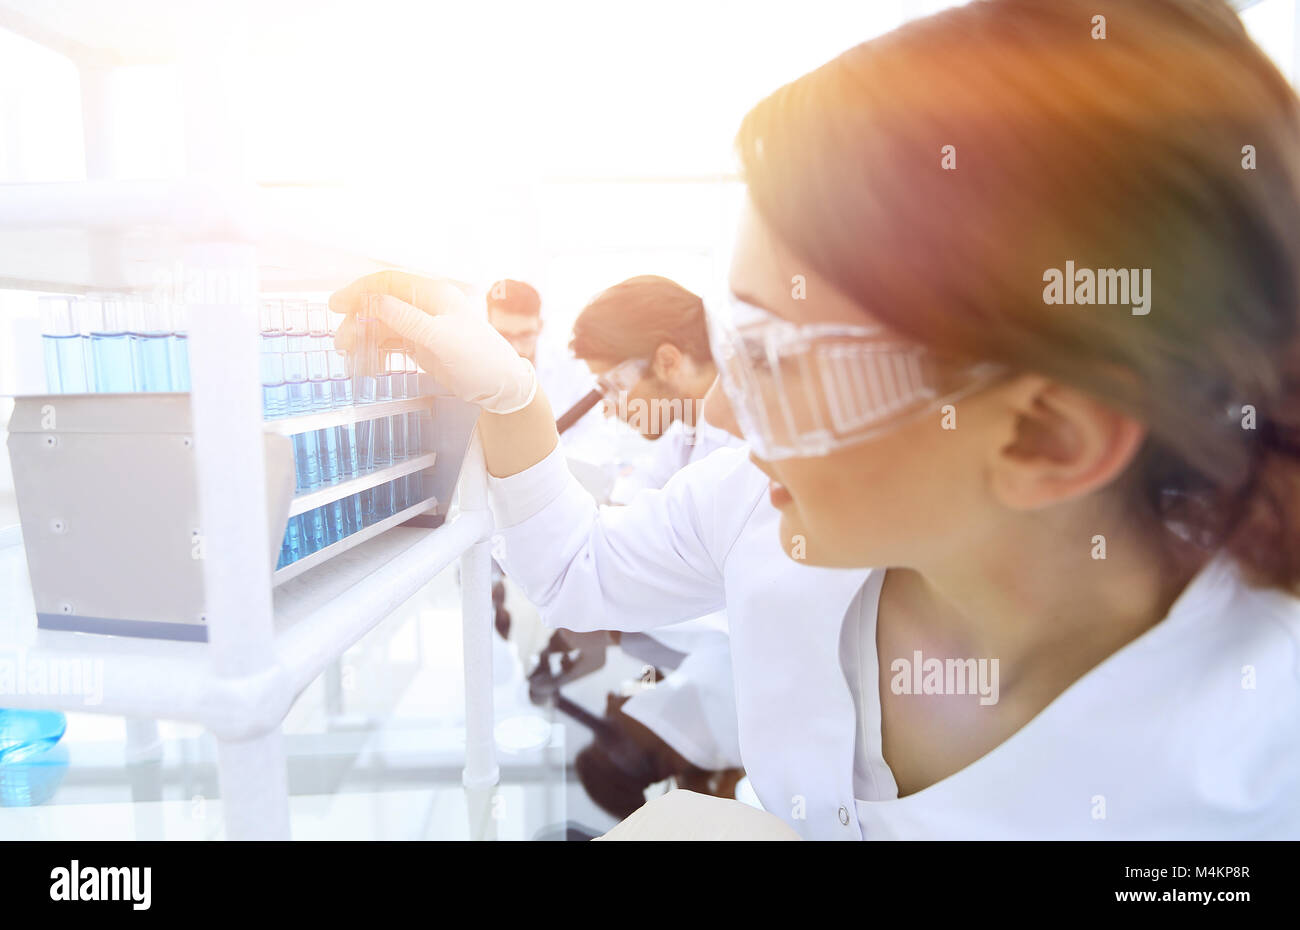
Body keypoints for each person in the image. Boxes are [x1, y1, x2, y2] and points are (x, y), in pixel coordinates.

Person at [333, 0, 1300, 839]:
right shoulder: (761, 508)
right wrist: (512, 393)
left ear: (1046, 436)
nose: (731, 417)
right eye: (735, 335)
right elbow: (577, 573)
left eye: (781, 359)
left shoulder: (1257, 766)